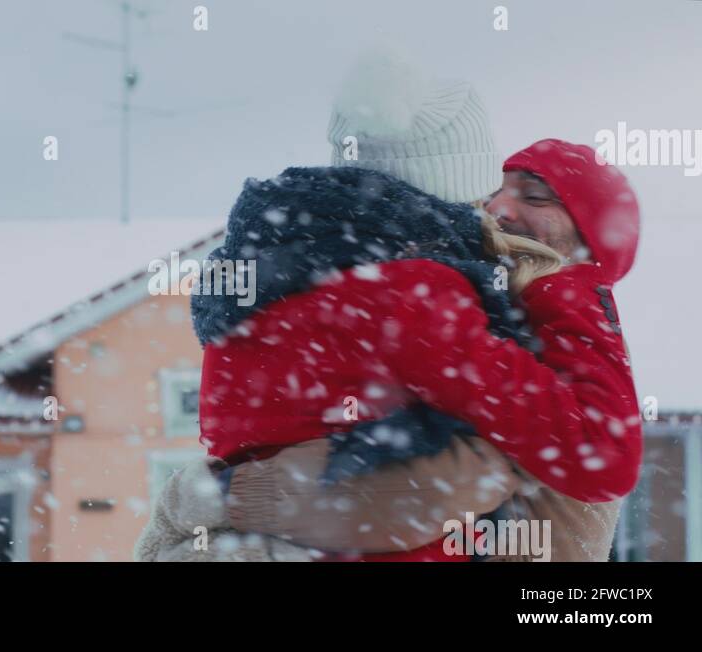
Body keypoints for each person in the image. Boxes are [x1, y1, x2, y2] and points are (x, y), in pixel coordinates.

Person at [135, 54, 641, 563]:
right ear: (454, 184)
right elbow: (428, 488)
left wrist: (207, 501)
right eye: (494, 189)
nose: (499, 208)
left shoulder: (279, 271)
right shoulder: (418, 295)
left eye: (535, 197)